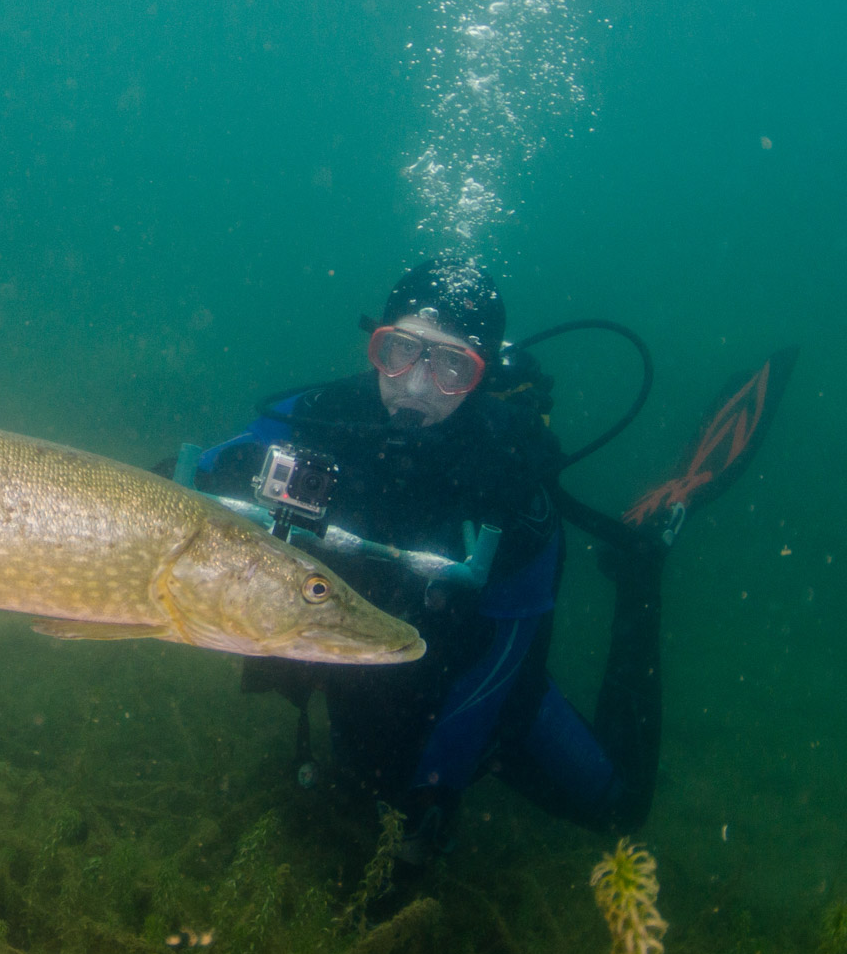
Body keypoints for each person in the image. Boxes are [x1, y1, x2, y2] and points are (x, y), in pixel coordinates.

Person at [187, 258, 674, 872]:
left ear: (482, 376)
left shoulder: (514, 479)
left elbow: (509, 650)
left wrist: (440, 781)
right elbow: (190, 479)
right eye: (400, 351)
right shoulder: (314, 414)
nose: (416, 385)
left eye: (451, 365)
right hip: (361, 660)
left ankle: (641, 579)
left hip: (467, 674)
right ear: (376, 344)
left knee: (617, 808)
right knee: (362, 799)